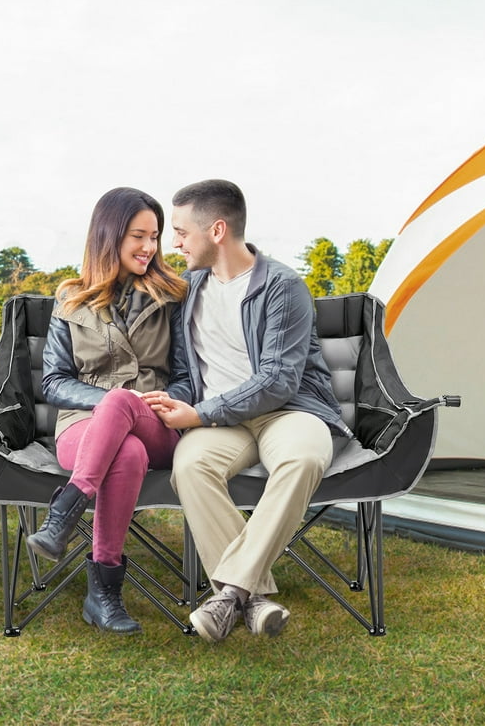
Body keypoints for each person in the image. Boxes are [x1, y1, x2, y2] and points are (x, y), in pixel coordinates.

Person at [143, 179, 351, 643]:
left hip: (289, 411)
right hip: (220, 422)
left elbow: (277, 381)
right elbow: (183, 367)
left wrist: (199, 415)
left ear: (217, 230)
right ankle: (253, 600)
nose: (174, 243)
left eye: (181, 232)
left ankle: (232, 593)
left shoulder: (283, 287)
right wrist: (178, 401)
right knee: (191, 466)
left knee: (303, 459)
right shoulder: (187, 290)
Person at [27, 186, 188, 635]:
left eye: (154, 236)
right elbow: (53, 381)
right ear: (109, 235)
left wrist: (158, 401)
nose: (150, 247)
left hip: (157, 420)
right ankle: (104, 596)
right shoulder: (71, 300)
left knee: (123, 405)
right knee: (127, 449)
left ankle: (65, 511)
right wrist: (113, 404)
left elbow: (186, 375)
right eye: (139, 236)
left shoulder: (173, 296)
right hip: (83, 427)